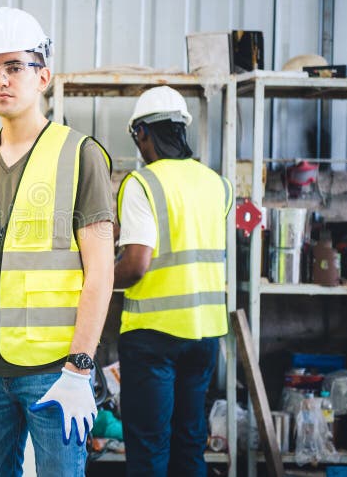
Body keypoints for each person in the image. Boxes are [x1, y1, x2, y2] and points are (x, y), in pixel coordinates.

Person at [0, 6, 116, 477]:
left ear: (44, 76)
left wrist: (80, 368)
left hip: (55, 372)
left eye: (15, 67)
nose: (1, 80)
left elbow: (101, 271)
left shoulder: (81, 155)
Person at [114, 86, 232, 477]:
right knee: (189, 443)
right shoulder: (217, 183)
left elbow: (135, 265)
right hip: (204, 337)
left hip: (153, 337)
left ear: (142, 133)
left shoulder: (142, 183)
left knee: (149, 448)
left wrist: (95, 279)